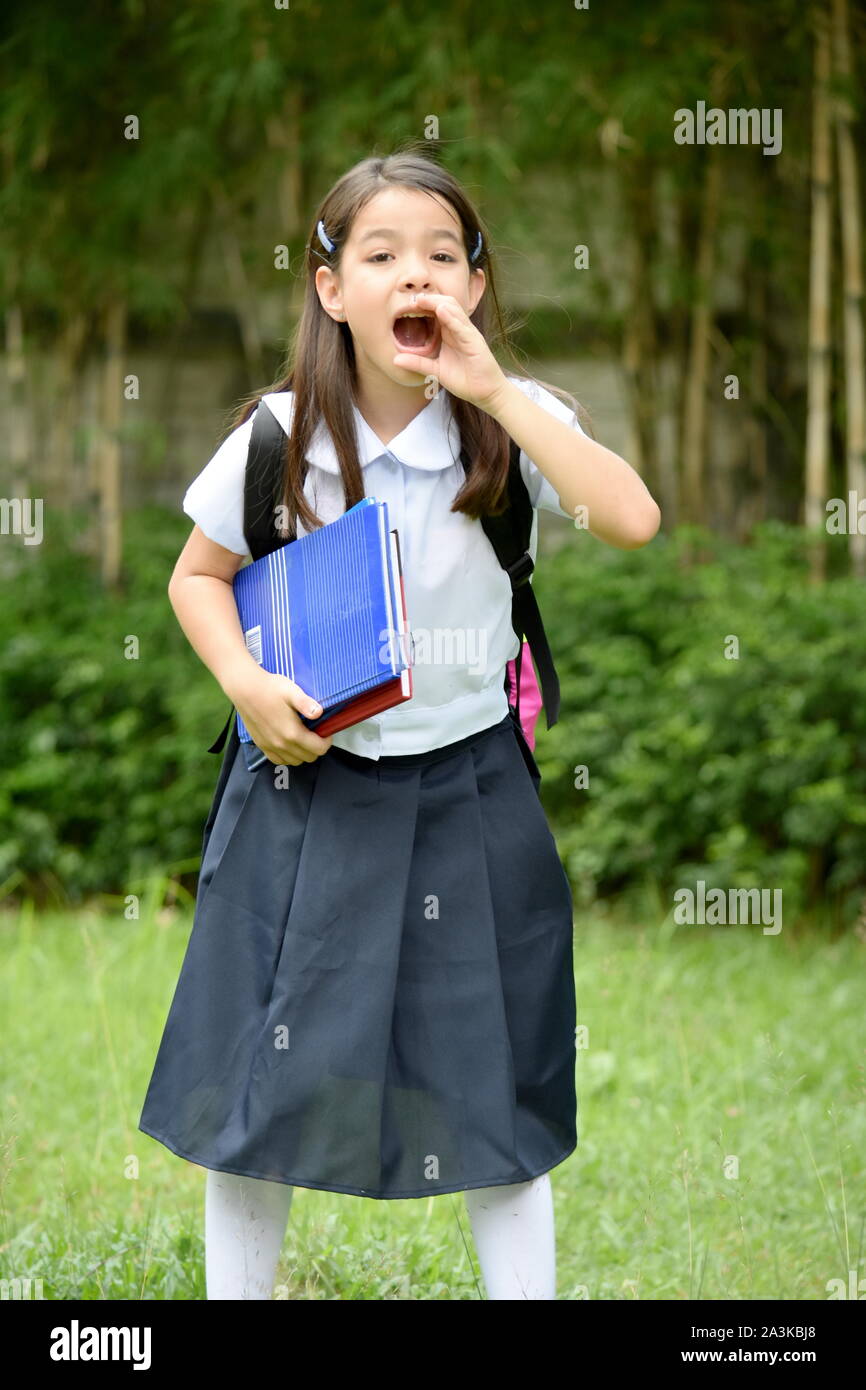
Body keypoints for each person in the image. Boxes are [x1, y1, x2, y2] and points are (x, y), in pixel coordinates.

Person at [138, 145, 660, 1301]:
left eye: (440, 254)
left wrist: (492, 391)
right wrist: (244, 684)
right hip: (301, 790)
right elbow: (194, 577)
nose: (410, 275)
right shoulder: (280, 439)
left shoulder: (513, 425)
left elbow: (630, 516)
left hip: (470, 791)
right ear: (331, 289)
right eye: (379, 254)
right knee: (252, 1085)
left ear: (472, 286)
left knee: (500, 1083)